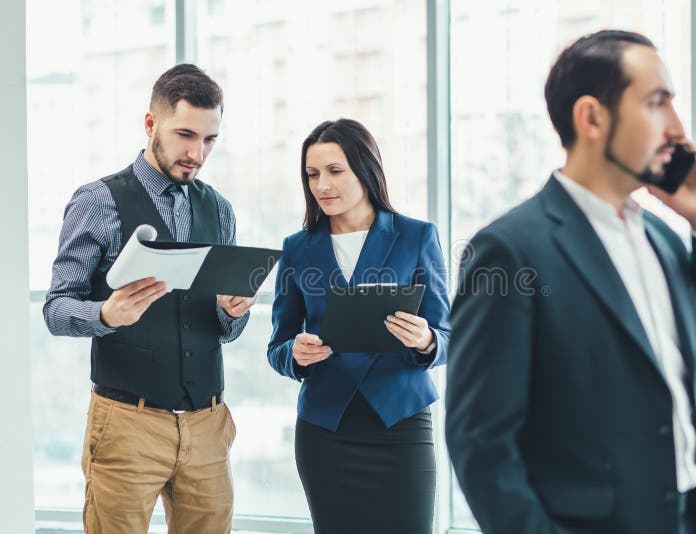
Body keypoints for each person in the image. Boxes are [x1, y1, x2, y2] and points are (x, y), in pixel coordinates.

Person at [445, 30, 696, 534]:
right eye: (658, 103)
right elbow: (480, 445)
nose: (678, 128)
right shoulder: (511, 251)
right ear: (591, 117)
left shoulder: (664, 239)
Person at [43, 64, 255, 534]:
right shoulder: (97, 201)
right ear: (150, 124)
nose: (196, 153)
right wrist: (105, 313)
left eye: (209, 140)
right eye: (185, 135)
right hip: (126, 426)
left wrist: (230, 311)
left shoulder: (219, 209)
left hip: (207, 426)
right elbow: (56, 308)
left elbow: (227, 330)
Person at [267, 118, 450, 534]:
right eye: (312, 174)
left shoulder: (416, 237)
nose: (321, 185)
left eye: (335, 171)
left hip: (400, 423)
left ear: (365, 169)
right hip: (325, 430)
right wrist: (295, 355)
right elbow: (277, 346)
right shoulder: (298, 248)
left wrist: (424, 340)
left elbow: (447, 336)